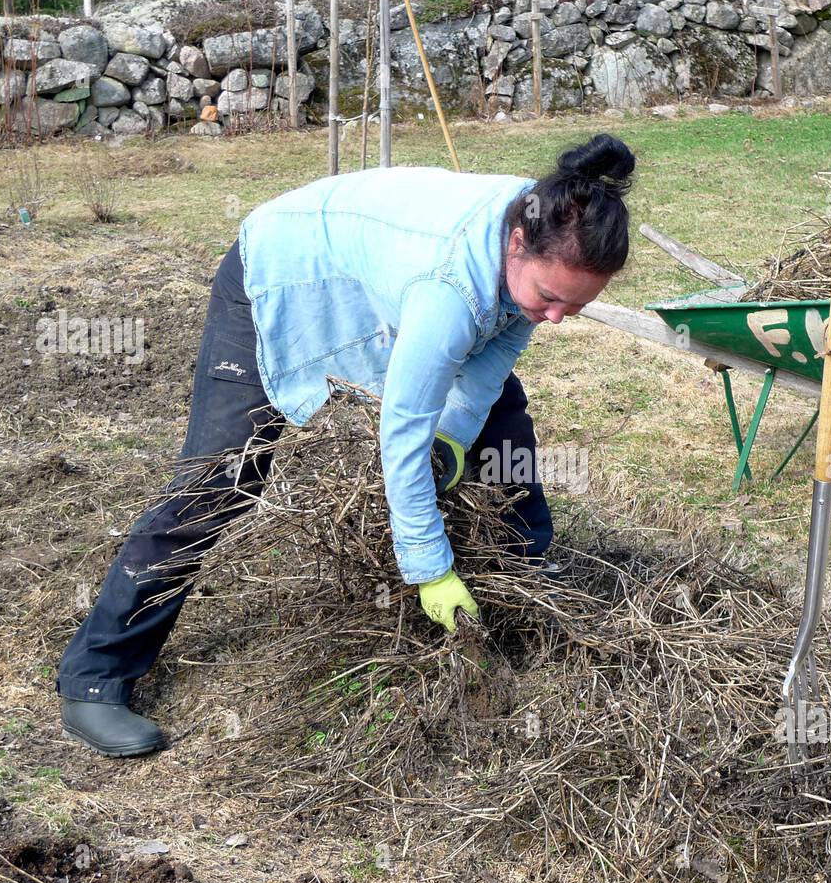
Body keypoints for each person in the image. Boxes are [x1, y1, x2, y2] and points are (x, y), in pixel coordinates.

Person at [56, 133, 637, 757]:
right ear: (516, 247)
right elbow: (403, 432)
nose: (552, 318)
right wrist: (429, 567)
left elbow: (487, 371)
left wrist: (455, 440)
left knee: (502, 424)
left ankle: (523, 596)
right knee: (222, 477)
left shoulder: (544, 225)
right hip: (281, 271)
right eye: (549, 298)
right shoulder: (451, 287)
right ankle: (96, 676)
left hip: (379, 276)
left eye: (573, 309)